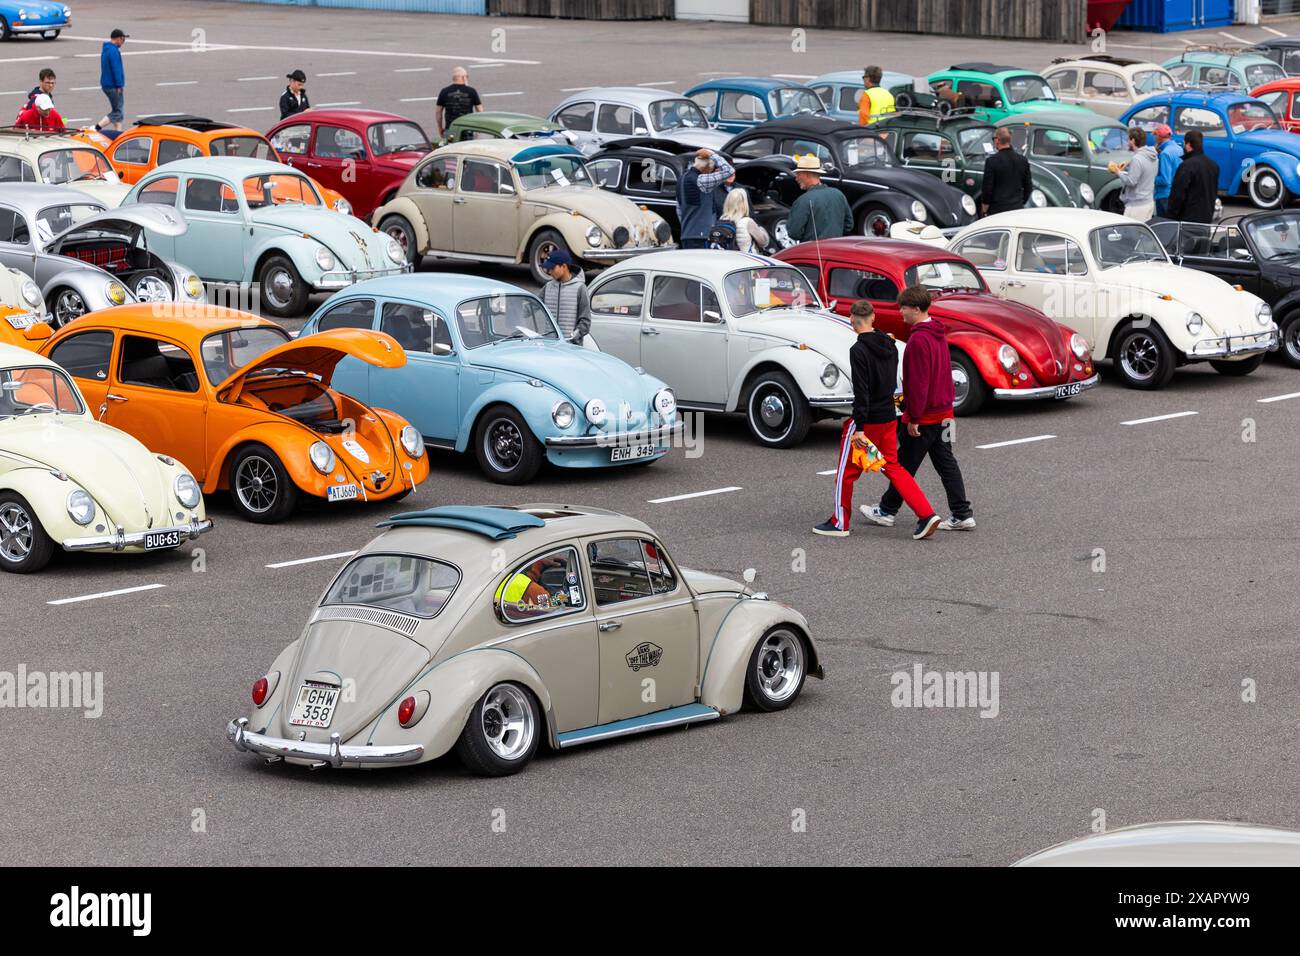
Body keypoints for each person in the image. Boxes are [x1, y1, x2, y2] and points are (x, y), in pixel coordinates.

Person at [815, 300, 940, 540]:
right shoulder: (890, 344)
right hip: (888, 417)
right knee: (892, 466)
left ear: (852, 321)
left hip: (867, 421)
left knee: (846, 472)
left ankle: (840, 522)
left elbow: (862, 392)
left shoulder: (858, 351)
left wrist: (859, 428)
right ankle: (926, 514)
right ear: (873, 317)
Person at [861, 286, 974, 531]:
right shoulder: (938, 333)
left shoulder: (918, 340)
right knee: (946, 462)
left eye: (903, 307)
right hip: (945, 413)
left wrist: (913, 417)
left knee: (903, 464)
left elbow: (918, 384)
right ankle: (961, 512)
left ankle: (887, 510)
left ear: (915, 308)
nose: (900, 312)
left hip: (926, 416)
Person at [786, 154, 853, 242]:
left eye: (798, 174)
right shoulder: (838, 194)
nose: (796, 178)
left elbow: (794, 232)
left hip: (811, 252)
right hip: (835, 250)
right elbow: (849, 225)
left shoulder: (803, 201)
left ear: (807, 174)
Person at [676, 148, 733, 249]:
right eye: (712, 169)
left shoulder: (682, 179)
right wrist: (713, 155)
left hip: (686, 235)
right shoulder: (701, 180)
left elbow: (679, 210)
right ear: (707, 166)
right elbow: (729, 170)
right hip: (701, 236)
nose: (712, 172)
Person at [1167, 129, 1219, 224]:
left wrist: (1171, 216)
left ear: (1188, 145)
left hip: (1188, 220)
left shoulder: (1186, 166)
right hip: (1206, 218)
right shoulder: (1213, 165)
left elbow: (1177, 194)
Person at [539, 250, 590, 345]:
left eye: (552, 268)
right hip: (550, 345)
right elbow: (531, 307)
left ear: (564, 266)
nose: (549, 272)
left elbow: (585, 321)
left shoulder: (580, 288)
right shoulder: (548, 286)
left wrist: (575, 335)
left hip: (570, 347)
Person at [1108, 126, 1157, 221]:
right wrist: (1129, 163)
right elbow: (1144, 171)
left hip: (1136, 206)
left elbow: (1131, 181)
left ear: (1133, 141)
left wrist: (1118, 172)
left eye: (1128, 140)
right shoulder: (1152, 155)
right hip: (1149, 202)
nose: (1127, 142)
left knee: (1129, 234)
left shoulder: (1137, 159)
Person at [980, 127, 1032, 216]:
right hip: (1016, 208)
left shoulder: (992, 161)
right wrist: (1021, 202)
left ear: (997, 140)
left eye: (993, 139)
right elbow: (1028, 186)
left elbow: (987, 188)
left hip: (997, 209)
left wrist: (984, 208)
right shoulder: (1022, 160)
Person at [715, 188, 770, 253]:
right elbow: (764, 242)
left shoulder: (721, 220)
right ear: (744, 203)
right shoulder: (747, 222)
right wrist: (761, 229)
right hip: (747, 260)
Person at [435, 66, 482, 139]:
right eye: (467, 76)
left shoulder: (444, 91)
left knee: (451, 148)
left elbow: (438, 112)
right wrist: (479, 128)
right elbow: (480, 111)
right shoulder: (471, 91)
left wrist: (440, 127)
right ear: (464, 77)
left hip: (450, 130)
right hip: (468, 129)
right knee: (466, 149)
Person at [98, 29, 127, 133]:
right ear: (118, 38)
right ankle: (96, 127)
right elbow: (116, 69)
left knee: (117, 111)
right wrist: (119, 85)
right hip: (113, 85)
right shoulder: (113, 51)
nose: (123, 42)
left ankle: (118, 134)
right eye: (123, 39)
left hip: (106, 84)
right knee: (118, 112)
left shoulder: (106, 49)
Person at [1152, 124, 1183, 218]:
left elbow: (1165, 180)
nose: (1154, 137)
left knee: (1163, 226)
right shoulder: (1179, 149)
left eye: (1155, 135)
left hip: (1164, 195)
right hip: (1176, 192)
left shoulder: (1165, 154)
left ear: (1159, 137)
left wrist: (1151, 178)